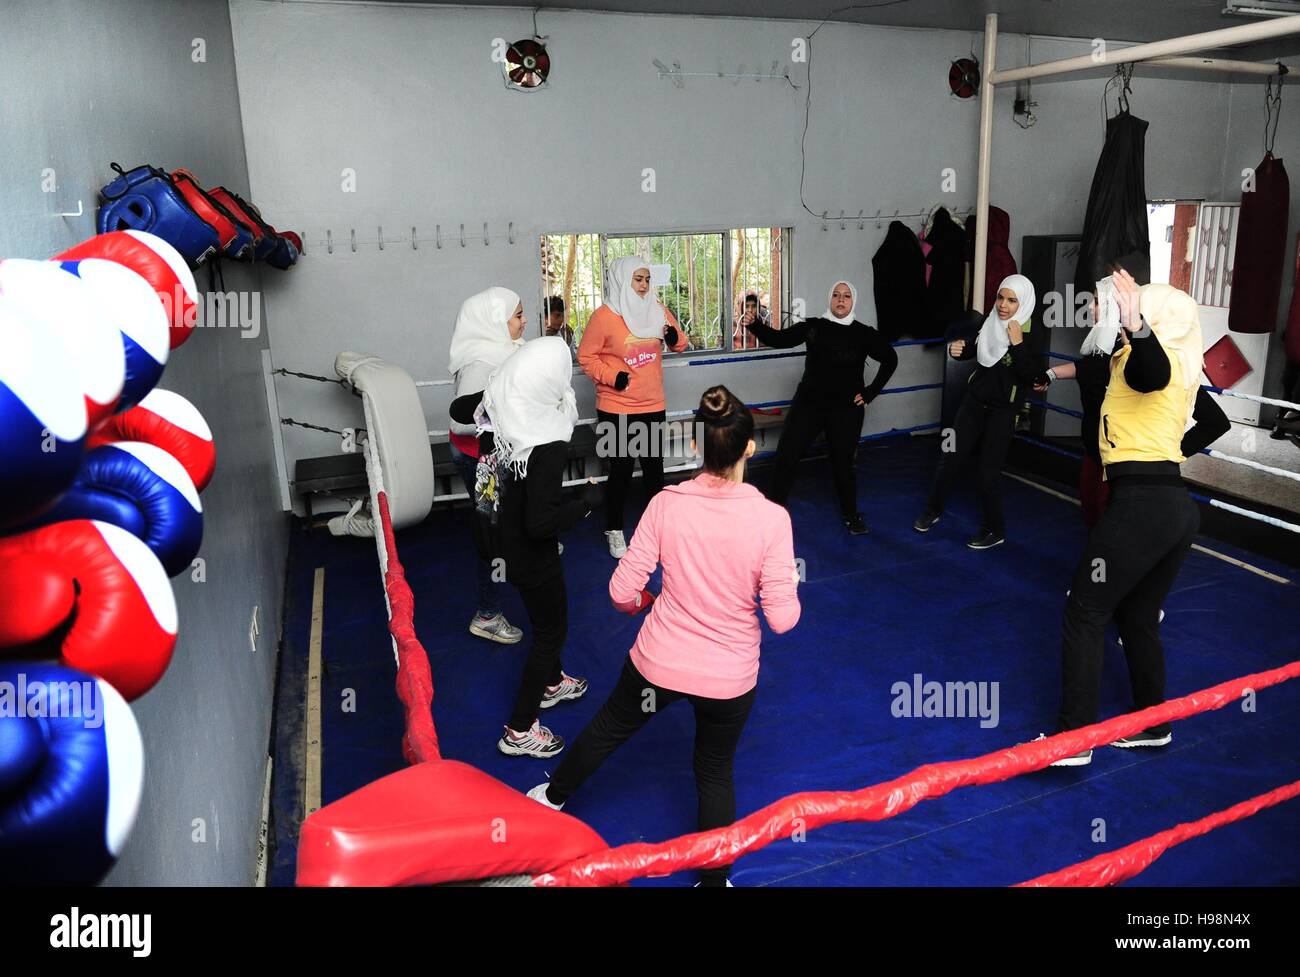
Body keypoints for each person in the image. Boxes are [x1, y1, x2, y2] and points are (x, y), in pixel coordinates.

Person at [526, 385, 801, 887]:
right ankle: (715, 883)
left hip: (660, 664)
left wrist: (642, 603)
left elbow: (620, 592)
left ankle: (549, 798)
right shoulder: (771, 520)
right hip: (727, 679)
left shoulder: (665, 503)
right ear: (749, 448)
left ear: (697, 447)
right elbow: (782, 619)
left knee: (611, 725)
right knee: (714, 771)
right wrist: (771, 585)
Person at [1040, 271, 1206, 767]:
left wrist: (1137, 325)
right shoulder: (1176, 363)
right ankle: (1152, 723)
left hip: (1144, 504)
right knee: (1136, 616)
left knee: (1084, 608)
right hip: (1173, 507)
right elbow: (1107, 370)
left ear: (1153, 319)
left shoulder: (1151, 360)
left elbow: (1146, 371)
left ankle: (1073, 741)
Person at [449, 337, 603, 758]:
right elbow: (542, 524)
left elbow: (460, 412)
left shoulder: (497, 411)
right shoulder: (546, 440)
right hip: (530, 552)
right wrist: (586, 505)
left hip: (498, 540)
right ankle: (520, 729)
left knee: (541, 622)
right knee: (551, 631)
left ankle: (552, 683)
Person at [1033, 281, 1229, 531]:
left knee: (1112, 539)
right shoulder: (1110, 350)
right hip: (1097, 458)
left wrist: (1169, 456)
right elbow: (1088, 369)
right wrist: (1050, 373)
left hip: (1125, 471)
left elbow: (1158, 377)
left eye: (1096, 302)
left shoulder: (1148, 361)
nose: (1089, 308)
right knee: (1096, 528)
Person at [742, 280, 898, 534]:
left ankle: (851, 515)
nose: (840, 299)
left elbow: (891, 358)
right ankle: (772, 512)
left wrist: (870, 392)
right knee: (787, 455)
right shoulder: (814, 326)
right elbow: (781, 339)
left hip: (846, 410)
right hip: (809, 405)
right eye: (836, 294)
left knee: (843, 463)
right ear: (830, 298)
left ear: (853, 301)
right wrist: (757, 325)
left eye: (846, 295)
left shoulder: (863, 333)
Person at [913, 274, 1039, 548]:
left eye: (1012, 300)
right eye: (1000, 298)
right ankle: (932, 510)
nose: (1003, 305)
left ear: (1024, 302)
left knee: (988, 472)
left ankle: (995, 529)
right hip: (974, 402)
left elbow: (1033, 376)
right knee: (950, 456)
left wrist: (1017, 345)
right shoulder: (989, 321)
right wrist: (963, 350)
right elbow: (983, 352)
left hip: (1003, 411)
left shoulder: (1029, 332)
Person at [577, 255, 689, 558]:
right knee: (622, 472)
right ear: (623, 280)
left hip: (652, 403)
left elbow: (681, 344)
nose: (643, 285)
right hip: (617, 407)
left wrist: (672, 335)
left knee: (654, 471)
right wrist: (612, 376)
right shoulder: (603, 317)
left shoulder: (657, 309)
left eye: (647, 279)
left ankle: (658, 530)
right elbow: (586, 357)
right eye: (637, 279)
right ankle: (614, 528)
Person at [446, 287, 526, 645]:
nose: (524, 321)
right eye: (518, 315)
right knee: (491, 534)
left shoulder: (504, 350)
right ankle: (488, 615)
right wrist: (503, 405)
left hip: (494, 455)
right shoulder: (481, 362)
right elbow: (462, 421)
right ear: (496, 320)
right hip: (481, 461)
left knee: (501, 525)